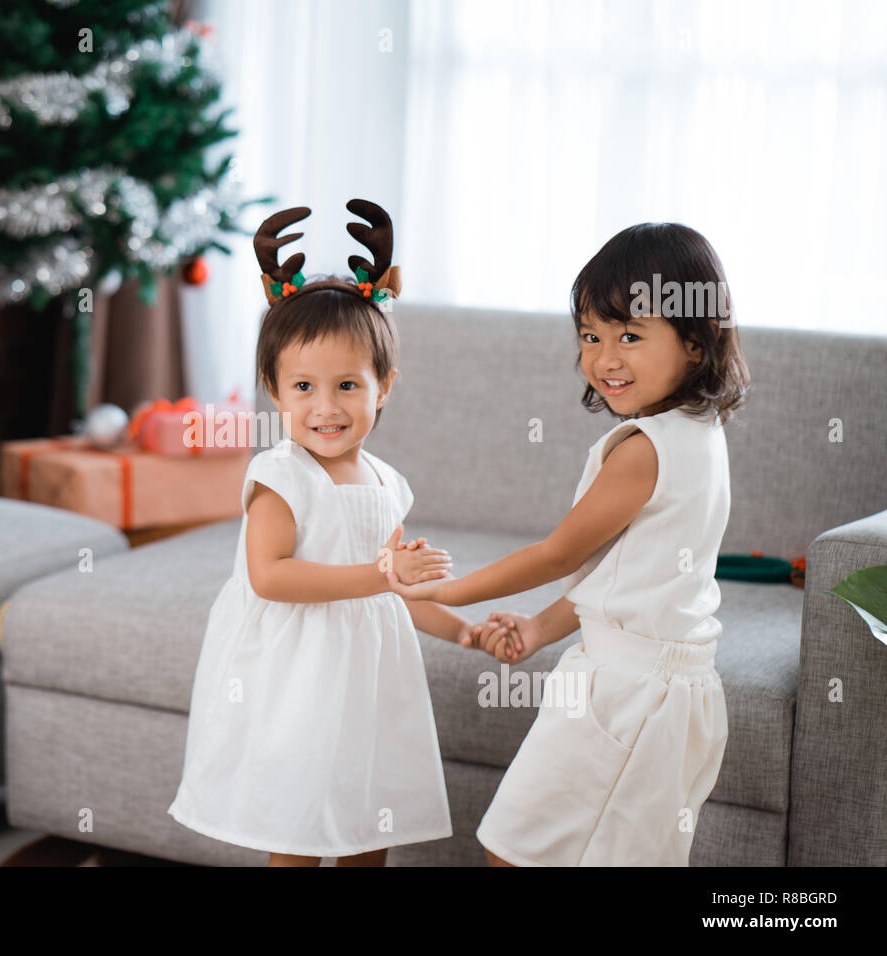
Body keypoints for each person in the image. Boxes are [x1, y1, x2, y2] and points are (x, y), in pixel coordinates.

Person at [388, 222, 750, 866]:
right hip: (654, 684)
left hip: (630, 694)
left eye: (630, 337)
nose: (605, 359)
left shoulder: (645, 451)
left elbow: (558, 554)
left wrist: (441, 589)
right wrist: (537, 629)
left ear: (696, 342)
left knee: (516, 850)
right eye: (590, 336)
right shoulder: (699, 431)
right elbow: (619, 576)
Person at [167, 201, 482, 867]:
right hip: (297, 680)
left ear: (384, 387)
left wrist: (463, 628)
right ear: (274, 392)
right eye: (303, 386)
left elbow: (397, 590)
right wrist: (379, 577)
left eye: (347, 385)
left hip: (367, 681)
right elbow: (271, 576)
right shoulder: (282, 475)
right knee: (302, 827)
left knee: (368, 822)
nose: (326, 407)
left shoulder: (387, 483)